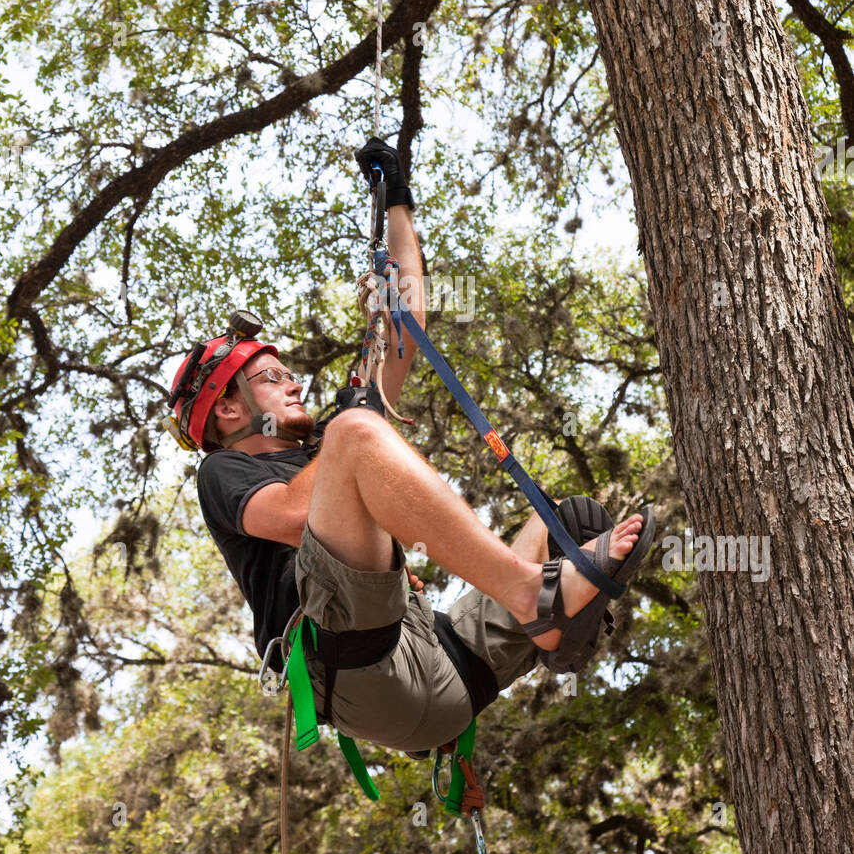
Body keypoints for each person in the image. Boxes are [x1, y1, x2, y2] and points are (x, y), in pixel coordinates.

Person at [172, 139, 654, 755]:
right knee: (356, 433)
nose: (293, 381)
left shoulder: (332, 448)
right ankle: (530, 596)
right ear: (230, 410)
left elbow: (405, 328)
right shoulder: (225, 470)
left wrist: (396, 202)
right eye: (271, 378)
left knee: (570, 521)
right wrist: (354, 424)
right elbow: (295, 517)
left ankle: (550, 625)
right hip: (362, 673)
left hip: (452, 667)